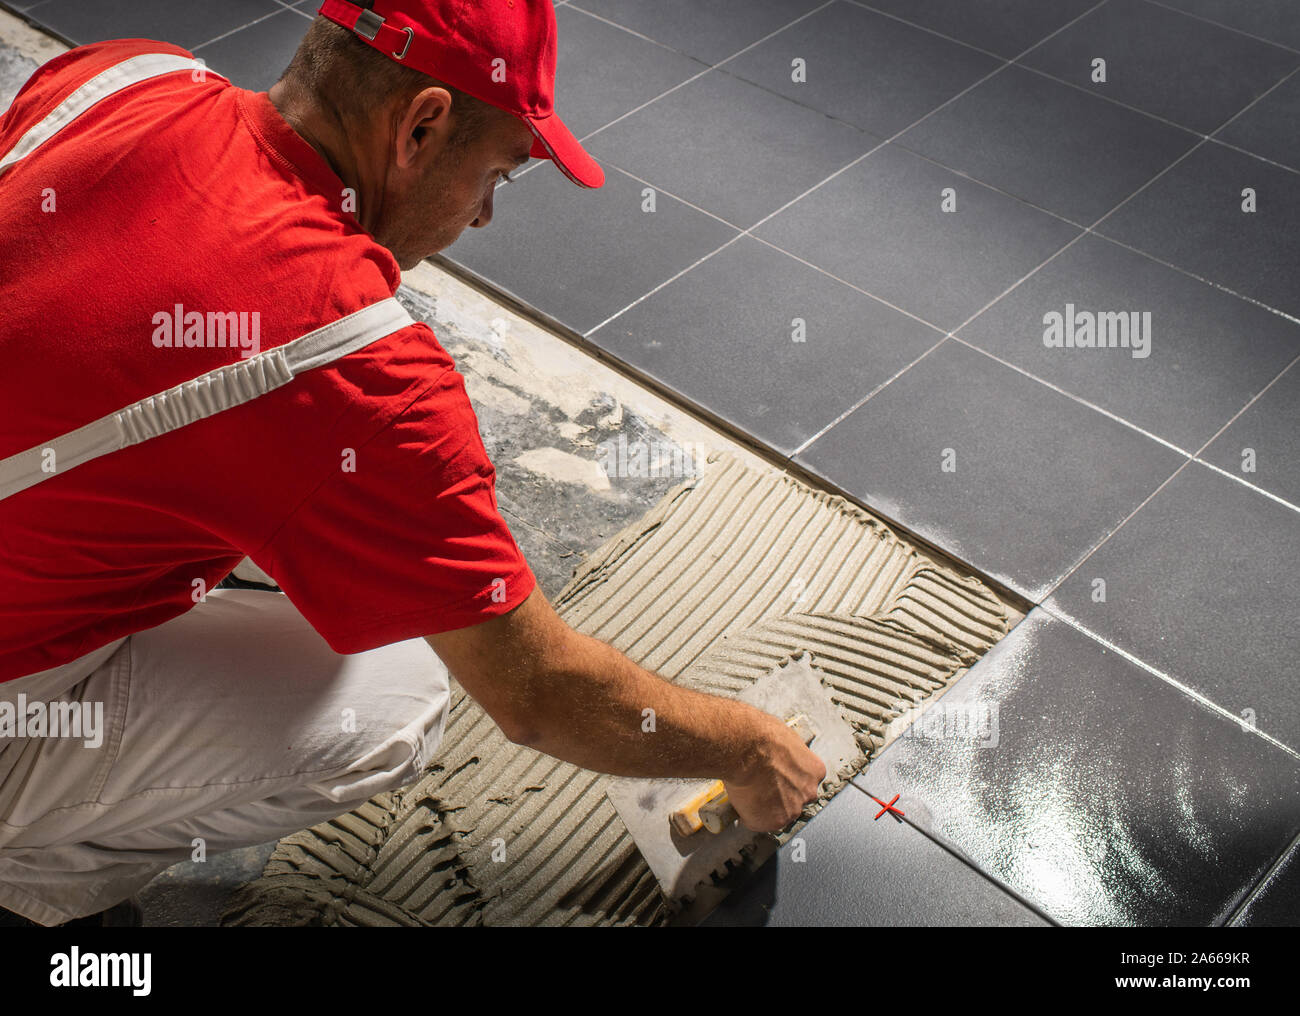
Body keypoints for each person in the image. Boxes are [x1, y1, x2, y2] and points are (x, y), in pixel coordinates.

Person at [0, 0, 823, 927]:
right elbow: (537, 694)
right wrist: (748, 747)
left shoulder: (123, 76)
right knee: (392, 701)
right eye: (496, 173)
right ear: (422, 126)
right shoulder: (345, 364)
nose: (481, 216)